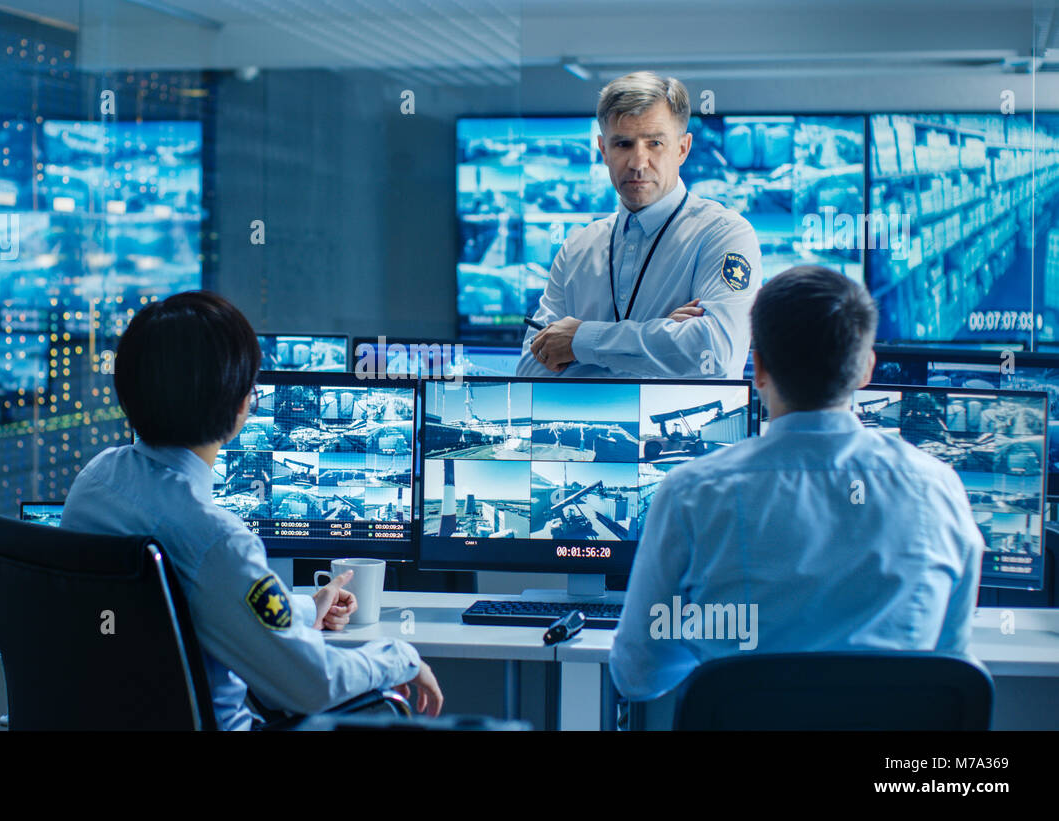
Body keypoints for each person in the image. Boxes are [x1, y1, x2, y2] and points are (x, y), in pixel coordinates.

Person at [62, 291, 443, 729]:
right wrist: (401, 655)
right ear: (243, 403)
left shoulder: (94, 482)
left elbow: (211, 605)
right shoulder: (216, 539)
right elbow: (311, 684)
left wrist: (303, 606)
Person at [609, 266, 984, 701]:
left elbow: (637, 676)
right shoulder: (938, 490)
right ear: (866, 369)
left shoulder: (692, 493)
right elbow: (950, 662)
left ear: (760, 368)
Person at [519, 71, 761, 379]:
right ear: (603, 150)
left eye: (655, 143)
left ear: (682, 149)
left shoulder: (723, 234)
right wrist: (661, 338)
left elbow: (712, 356)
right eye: (623, 144)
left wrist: (579, 341)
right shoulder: (578, 247)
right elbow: (529, 371)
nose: (637, 162)